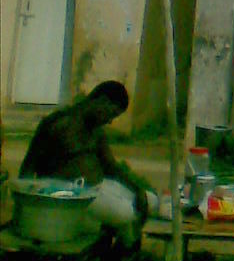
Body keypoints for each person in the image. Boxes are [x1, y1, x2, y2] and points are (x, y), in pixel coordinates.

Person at [19, 81, 158, 245]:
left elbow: (111, 167)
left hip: (98, 187)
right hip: (70, 196)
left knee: (151, 200)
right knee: (126, 213)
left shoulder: (97, 131)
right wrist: (25, 207)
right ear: (102, 101)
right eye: (112, 114)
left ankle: (110, 236)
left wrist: (137, 189)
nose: (110, 121)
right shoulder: (58, 124)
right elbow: (29, 166)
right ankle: (103, 233)